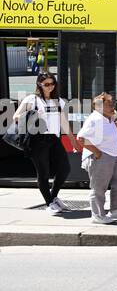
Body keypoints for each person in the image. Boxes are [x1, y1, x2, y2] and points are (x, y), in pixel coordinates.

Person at [13, 73, 77, 215]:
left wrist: (73, 141)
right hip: (37, 140)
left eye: (52, 84)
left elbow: (64, 122)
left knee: (65, 169)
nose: (50, 87)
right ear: (39, 85)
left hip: (54, 139)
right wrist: (31, 114)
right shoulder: (32, 99)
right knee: (43, 173)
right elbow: (15, 117)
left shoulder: (58, 101)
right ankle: (49, 203)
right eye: (46, 84)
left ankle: (53, 197)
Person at [78, 93, 117, 224]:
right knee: (99, 187)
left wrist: (115, 127)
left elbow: (106, 131)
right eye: (109, 105)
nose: (113, 106)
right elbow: (81, 138)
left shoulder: (108, 118)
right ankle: (98, 215)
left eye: (112, 103)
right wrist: (97, 153)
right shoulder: (95, 119)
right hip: (102, 155)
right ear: (98, 107)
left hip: (115, 155)